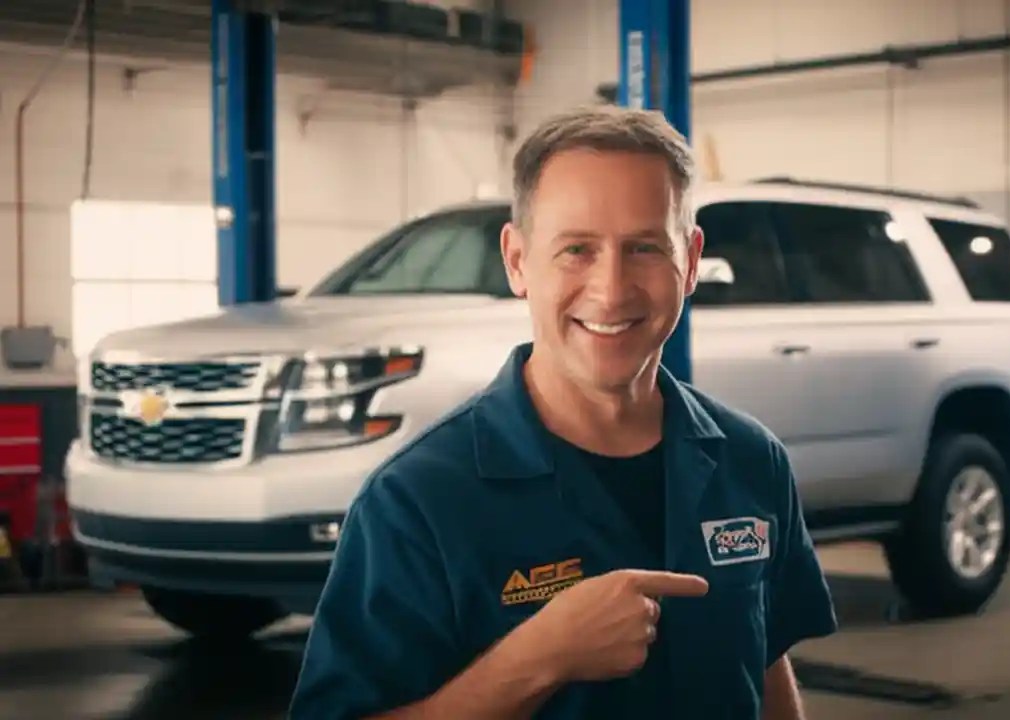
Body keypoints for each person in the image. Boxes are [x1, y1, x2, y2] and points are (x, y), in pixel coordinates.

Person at [289, 105, 838, 719]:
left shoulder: (749, 460)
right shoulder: (418, 502)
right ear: (518, 262)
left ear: (688, 262)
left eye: (644, 248)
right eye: (576, 249)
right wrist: (536, 660)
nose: (610, 289)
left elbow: (765, 667)